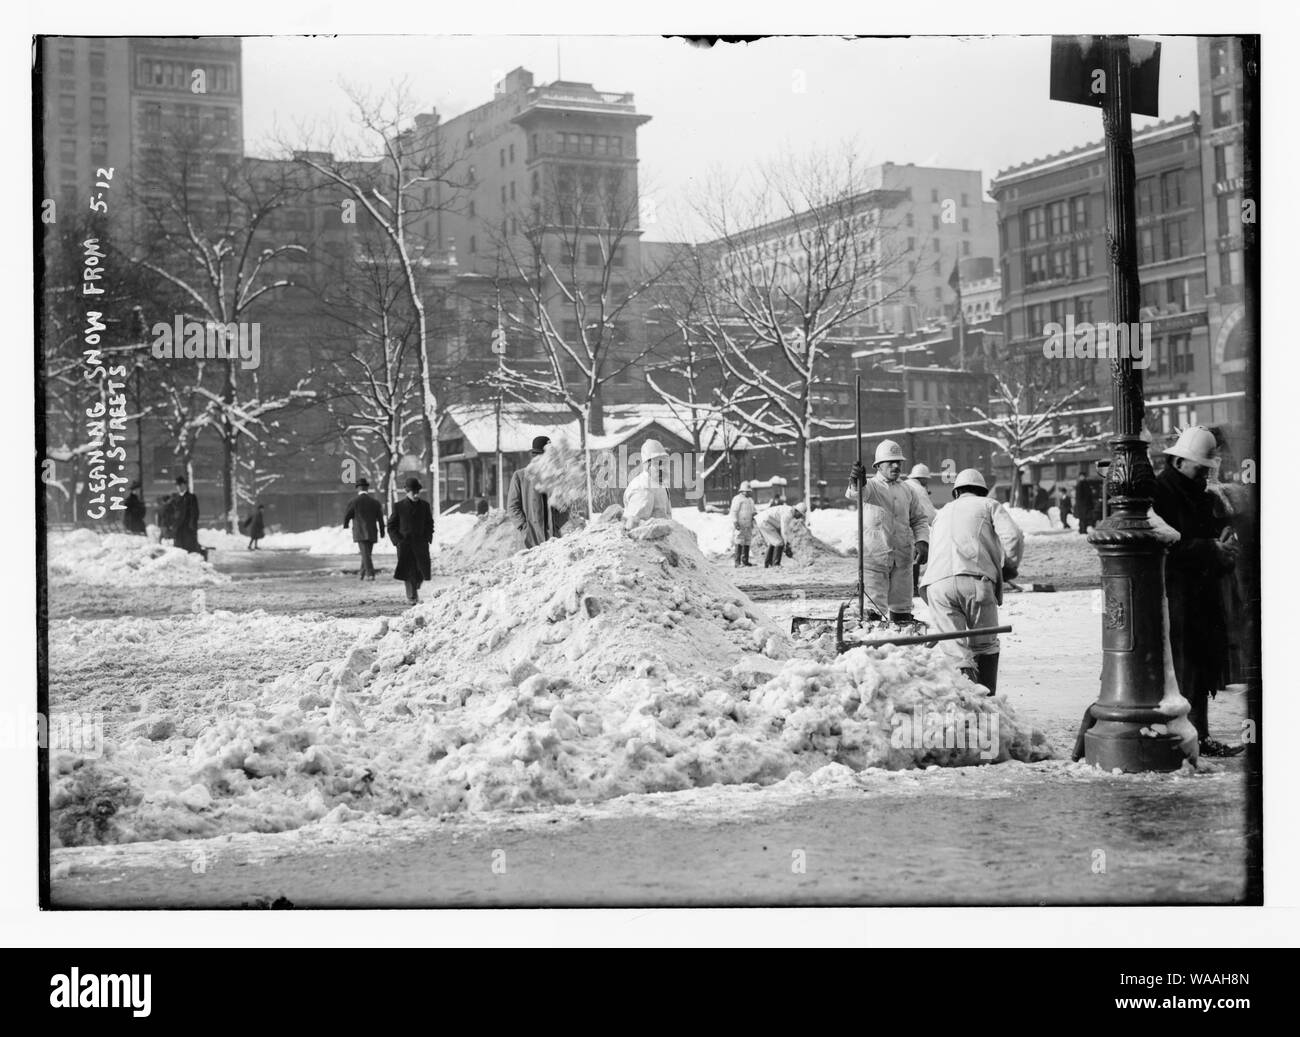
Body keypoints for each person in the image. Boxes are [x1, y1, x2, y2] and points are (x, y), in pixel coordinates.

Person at [1152, 426, 1244, 758]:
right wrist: (1210, 549)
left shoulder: (1198, 494)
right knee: (1185, 664)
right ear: (1178, 462)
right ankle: (1187, 736)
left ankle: (1199, 735)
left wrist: (1224, 551)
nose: (1205, 473)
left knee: (1202, 663)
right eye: (1199, 467)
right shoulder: (1160, 493)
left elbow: (1206, 540)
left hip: (1200, 591)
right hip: (1177, 594)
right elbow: (1164, 547)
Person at [921, 468, 1024, 695]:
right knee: (985, 645)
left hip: (937, 586)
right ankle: (986, 702)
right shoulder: (989, 505)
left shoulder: (943, 512)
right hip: (975, 581)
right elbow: (1014, 536)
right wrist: (1010, 566)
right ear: (983, 491)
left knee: (955, 651)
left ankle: (965, 703)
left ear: (956, 492)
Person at [847, 439, 932, 624]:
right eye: (890, 462)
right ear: (878, 465)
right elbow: (857, 492)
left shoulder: (908, 490)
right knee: (873, 609)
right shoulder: (871, 487)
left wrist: (922, 541)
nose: (896, 466)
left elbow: (919, 519)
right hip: (874, 559)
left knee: (902, 607)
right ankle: (872, 644)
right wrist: (855, 480)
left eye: (898, 462)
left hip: (902, 558)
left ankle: (902, 639)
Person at [507, 436, 569, 548]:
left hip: (553, 538)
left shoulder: (556, 476)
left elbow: (565, 506)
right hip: (530, 537)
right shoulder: (520, 476)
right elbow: (513, 507)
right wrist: (524, 527)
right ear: (535, 455)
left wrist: (556, 525)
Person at [387, 476, 434, 605]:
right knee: (408, 571)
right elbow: (391, 526)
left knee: (421, 571)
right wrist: (397, 541)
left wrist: (428, 537)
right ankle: (411, 596)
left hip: (421, 544)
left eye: (417, 491)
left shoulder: (425, 506)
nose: (416, 494)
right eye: (413, 491)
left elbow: (430, 523)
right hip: (405, 544)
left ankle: (416, 586)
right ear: (407, 492)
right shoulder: (399, 506)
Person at [622, 438, 672, 529]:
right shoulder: (643, 488)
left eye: (664, 463)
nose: (662, 468)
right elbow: (633, 527)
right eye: (657, 463)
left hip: (661, 539)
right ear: (647, 466)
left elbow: (667, 517)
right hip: (647, 541)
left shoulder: (659, 484)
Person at [903, 463, 938, 597]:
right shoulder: (918, 489)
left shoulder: (905, 484)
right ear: (922, 478)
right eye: (926, 479)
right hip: (912, 527)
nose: (927, 482)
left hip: (899, 526)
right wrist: (938, 523)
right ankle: (912, 588)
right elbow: (928, 512)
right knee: (915, 558)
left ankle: (907, 588)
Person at [344, 478, 384, 580]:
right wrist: (382, 531)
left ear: (358, 488)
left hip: (360, 531)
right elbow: (380, 518)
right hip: (372, 531)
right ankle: (362, 573)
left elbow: (347, 515)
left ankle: (370, 574)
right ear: (367, 488)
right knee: (366, 553)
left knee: (365, 554)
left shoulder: (353, 502)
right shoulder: (375, 502)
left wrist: (346, 524)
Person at [755, 501, 808, 567]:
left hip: (766, 521)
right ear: (797, 511)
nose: (799, 517)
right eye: (800, 515)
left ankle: (768, 563)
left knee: (773, 542)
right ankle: (776, 564)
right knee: (779, 542)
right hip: (765, 521)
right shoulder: (788, 514)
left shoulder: (789, 511)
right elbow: (784, 530)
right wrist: (786, 544)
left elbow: (781, 528)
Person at [729, 480, 757, 567]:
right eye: (747, 491)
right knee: (739, 541)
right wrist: (735, 522)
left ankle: (745, 560)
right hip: (740, 523)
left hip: (748, 524)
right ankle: (737, 562)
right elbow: (733, 511)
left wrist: (754, 516)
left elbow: (753, 510)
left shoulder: (750, 500)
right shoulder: (737, 499)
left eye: (749, 491)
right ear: (742, 491)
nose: (749, 493)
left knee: (747, 541)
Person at [171, 475, 201, 554]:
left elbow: (194, 513)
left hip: (188, 528)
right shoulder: (175, 498)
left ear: (184, 485)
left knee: (189, 548)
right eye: (177, 486)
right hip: (178, 528)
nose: (178, 487)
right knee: (178, 550)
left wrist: (192, 525)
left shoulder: (191, 497)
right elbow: (172, 513)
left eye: (180, 485)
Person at [1075, 463, 1101, 534]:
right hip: (1083, 505)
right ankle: (1082, 530)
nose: (1082, 477)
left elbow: (1083, 496)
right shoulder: (1082, 484)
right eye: (1081, 476)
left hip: (1084, 505)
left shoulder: (1083, 484)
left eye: (1083, 476)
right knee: (1083, 519)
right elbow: (1081, 496)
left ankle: (1082, 530)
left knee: (1084, 519)